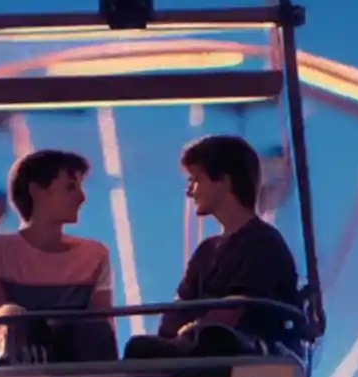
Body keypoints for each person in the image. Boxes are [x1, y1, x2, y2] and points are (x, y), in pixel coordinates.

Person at [124, 135, 301, 359]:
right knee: (141, 348)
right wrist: (172, 338)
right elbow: (179, 310)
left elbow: (237, 310)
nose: (190, 192)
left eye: (196, 179)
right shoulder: (206, 251)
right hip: (202, 349)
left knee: (217, 338)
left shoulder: (264, 243)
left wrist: (190, 334)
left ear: (224, 181)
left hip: (249, 355)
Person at [0, 149, 118, 364]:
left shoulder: (95, 255)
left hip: (80, 357)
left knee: (92, 326)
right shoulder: (0, 250)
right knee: (11, 315)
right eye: (70, 187)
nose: (81, 197)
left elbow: (102, 323)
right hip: (23, 351)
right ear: (37, 191)